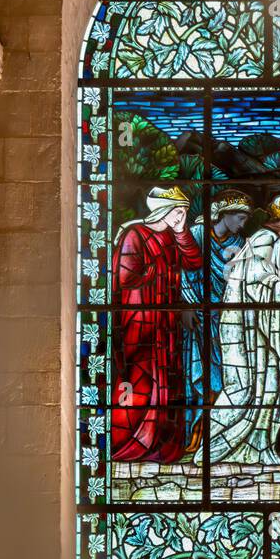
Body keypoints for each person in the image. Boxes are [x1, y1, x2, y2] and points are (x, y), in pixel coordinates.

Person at [209, 193, 280, 465]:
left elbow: (267, 280)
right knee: (243, 390)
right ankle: (213, 447)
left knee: (269, 388)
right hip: (244, 328)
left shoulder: (278, 245)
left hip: (255, 326)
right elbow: (255, 281)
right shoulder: (264, 239)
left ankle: (256, 449)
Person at [108, 185, 202, 462]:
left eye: (184, 211)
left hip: (166, 322)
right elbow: (125, 278)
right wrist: (155, 270)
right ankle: (128, 441)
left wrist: (181, 232)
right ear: (164, 210)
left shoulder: (172, 237)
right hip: (140, 320)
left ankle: (161, 445)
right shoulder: (134, 234)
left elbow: (194, 262)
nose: (181, 216)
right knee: (141, 377)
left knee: (167, 379)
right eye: (178, 211)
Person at [180, 190, 252, 445]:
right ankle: (194, 434)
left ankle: (215, 434)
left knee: (222, 374)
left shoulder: (242, 243)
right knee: (196, 372)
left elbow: (244, 281)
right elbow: (182, 271)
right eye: (241, 217)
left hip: (226, 318)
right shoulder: (197, 235)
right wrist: (186, 306)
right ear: (225, 214)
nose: (243, 224)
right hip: (197, 317)